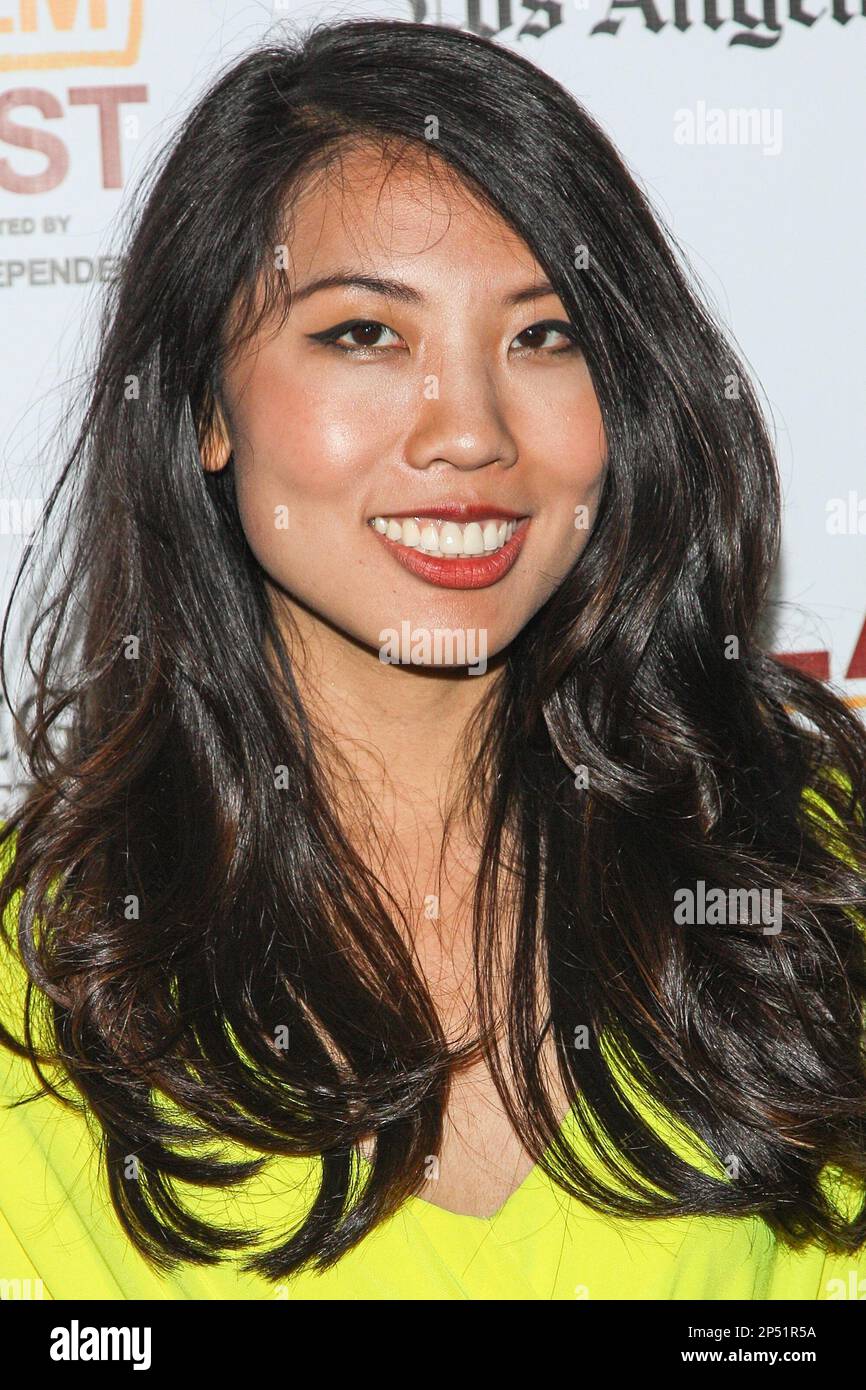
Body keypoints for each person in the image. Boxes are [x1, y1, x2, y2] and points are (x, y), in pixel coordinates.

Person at [0, 17, 864, 1302]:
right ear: (202, 410)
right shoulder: (51, 970)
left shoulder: (795, 865)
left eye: (543, 335)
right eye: (363, 334)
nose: (468, 432)